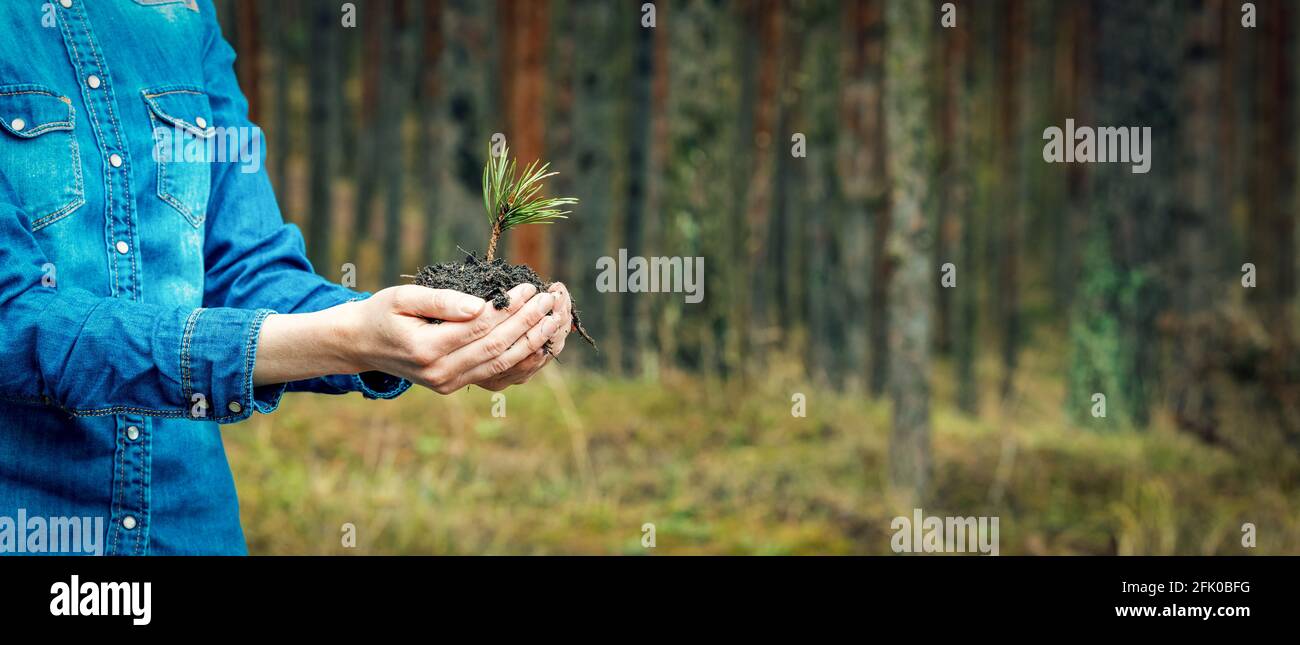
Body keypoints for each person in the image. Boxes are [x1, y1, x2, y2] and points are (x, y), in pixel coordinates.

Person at [0, 0, 572, 555]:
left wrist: (409, 329)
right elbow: (14, 319)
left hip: (189, 526)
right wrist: (343, 340)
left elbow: (246, 268)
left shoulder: (185, 17)